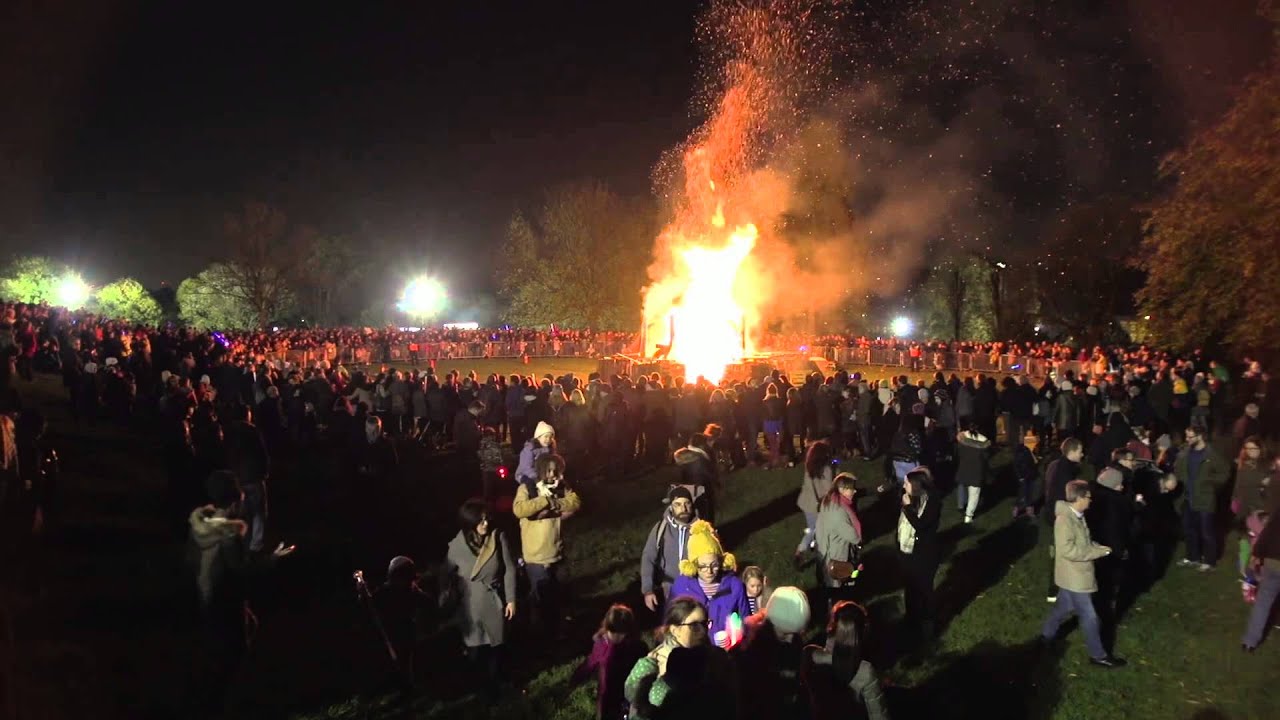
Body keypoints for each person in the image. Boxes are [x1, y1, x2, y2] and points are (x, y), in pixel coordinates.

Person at [188, 470, 295, 712]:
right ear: (234, 500)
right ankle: (218, 705)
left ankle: (215, 699)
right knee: (231, 654)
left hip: (207, 597)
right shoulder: (228, 534)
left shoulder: (202, 526)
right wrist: (273, 559)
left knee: (229, 644)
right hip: (225, 601)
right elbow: (241, 570)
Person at [1040, 480, 1126, 668]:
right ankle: (1098, 656)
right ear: (1078, 498)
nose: (1091, 500)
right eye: (1088, 497)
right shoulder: (1065, 520)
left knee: (1062, 608)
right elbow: (1068, 551)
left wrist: (1100, 547)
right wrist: (1098, 552)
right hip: (1075, 578)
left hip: (1072, 576)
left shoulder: (1078, 516)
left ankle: (1045, 637)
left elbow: (1083, 543)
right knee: (1090, 617)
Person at [440, 500, 517, 686]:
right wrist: (446, 598)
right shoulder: (456, 547)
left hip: (494, 601)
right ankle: (481, 689)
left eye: (486, 518)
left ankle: (499, 684)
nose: (486, 523)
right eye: (480, 520)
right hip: (471, 607)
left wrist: (511, 599)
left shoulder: (497, 538)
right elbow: (444, 575)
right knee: (476, 651)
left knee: (497, 648)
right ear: (469, 523)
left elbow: (509, 569)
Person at [623, 597, 737, 720]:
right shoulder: (650, 664)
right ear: (675, 630)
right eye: (694, 625)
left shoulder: (714, 657)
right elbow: (636, 698)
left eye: (704, 624)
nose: (702, 631)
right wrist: (664, 680)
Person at [512, 452, 581, 637]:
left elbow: (574, 502)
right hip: (536, 555)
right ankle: (538, 635)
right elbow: (519, 509)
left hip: (556, 550)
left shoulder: (561, 487)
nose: (552, 475)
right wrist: (542, 501)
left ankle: (557, 630)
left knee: (558, 595)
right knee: (538, 598)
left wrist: (553, 505)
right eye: (548, 470)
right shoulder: (527, 488)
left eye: (555, 470)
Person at [801, 600, 891, 720]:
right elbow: (878, 715)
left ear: (831, 626)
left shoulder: (810, 654)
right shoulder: (865, 672)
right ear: (861, 633)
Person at [733, 585, 812, 718]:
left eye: (795, 633)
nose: (790, 639)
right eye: (785, 633)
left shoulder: (792, 642)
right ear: (770, 623)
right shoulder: (752, 650)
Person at [669, 520, 751, 647]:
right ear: (693, 565)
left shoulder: (735, 585)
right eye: (703, 566)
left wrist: (739, 641)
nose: (710, 571)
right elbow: (670, 622)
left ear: (722, 561)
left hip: (727, 653)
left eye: (715, 565)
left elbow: (747, 621)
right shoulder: (681, 586)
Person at [572, 604, 647, 720]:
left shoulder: (637, 647)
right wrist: (577, 677)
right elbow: (590, 663)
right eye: (613, 632)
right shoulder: (602, 646)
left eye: (621, 632)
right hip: (607, 697)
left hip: (629, 694)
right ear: (607, 628)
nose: (616, 637)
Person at [372, 555, 434, 688]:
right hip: (390, 631)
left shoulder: (411, 590)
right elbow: (372, 605)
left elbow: (427, 603)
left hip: (407, 629)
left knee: (410, 656)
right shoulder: (384, 592)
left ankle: (413, 682)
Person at [1172, 425, 1228, 571]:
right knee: (1189, 530)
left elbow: (1224, 473)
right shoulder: (1184, 453)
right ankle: (1193, 557)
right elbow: (1177, 471)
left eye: (1190, 437)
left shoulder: (1212, 454)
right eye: (1187, 436)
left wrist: (1210, 484)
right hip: (1187, 498)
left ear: (1201, 436)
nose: (1187, 439)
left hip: (1205, 499)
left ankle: (1210, 561)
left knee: (1206, 531)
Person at [898, 467, 942, 639]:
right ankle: (911, 619)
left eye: (907, 482)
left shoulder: (932, 502)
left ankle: (927, 626)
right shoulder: (912, 498)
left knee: (924, 590)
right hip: (907, 553)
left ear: (916, 485)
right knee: (910, 587)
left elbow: (920, 525)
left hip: (924, 555)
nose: (904, 485)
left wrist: (907, 507)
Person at [1042, 438, 1085, 601]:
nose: (1082, 454)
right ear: (1072, 452)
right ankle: (1055, 589)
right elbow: (1066, 497)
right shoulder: (1066, 472)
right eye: (1080, 451)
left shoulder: (1059, 465)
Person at [815, 472, 863, 606]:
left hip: (826, 550)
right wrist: (859, 538)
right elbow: (854, 537)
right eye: (851, 488)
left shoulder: (830, 500)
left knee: (831, 587)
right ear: (841, 489)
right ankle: (840, 611)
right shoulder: (839, 511)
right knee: (839, 587)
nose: (854, 491)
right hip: (837, 556)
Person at [1241, 511, 1280, 652]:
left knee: (1263, 603)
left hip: (1273, 561)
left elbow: (1268, 534)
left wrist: (1257, 553)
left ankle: (1249, 642)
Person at [796, 440, 835, 567]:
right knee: (818, 529)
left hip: (806, 503)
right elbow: (828, 489)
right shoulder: (826, 469)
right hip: (818, 506)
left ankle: (801, 551)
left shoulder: (809, 467)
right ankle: (819, 552)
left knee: (812, 529)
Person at [674, 433, 719, 524]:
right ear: (702, 445)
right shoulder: (700, 458)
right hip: (704, 494)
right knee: (706, 518)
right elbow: (708, 475)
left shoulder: (684, 457)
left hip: (690, 494)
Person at [955, 420, 991, 524]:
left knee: (962, 488)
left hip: (964, 468)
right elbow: (986, 457)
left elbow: (958, 453)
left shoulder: (962, 437)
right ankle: (968, 516)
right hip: (976, 471)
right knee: (974, 495)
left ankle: (961, 506)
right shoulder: (983, 441)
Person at [515, 420, 556, 485]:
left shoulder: (550, 450)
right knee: (530, 485)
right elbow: (526, 468)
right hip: (525, 474)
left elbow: (553, 464)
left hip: (542, 474)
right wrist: (537, 479)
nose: (548, 439)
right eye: (546, 436)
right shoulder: (529, 449)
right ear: (538, 437)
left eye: (550, 437)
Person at [1012, 431, 1040, 519]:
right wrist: (1020, 476)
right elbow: (1016, 465)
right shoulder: (1019, 450)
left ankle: (1029, 511)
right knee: (1022, 494)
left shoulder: (1027, 449)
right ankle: (1016, 511)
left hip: (1030, 474)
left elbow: (1033, 461)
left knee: (1030, 494)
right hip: (1024, 475)